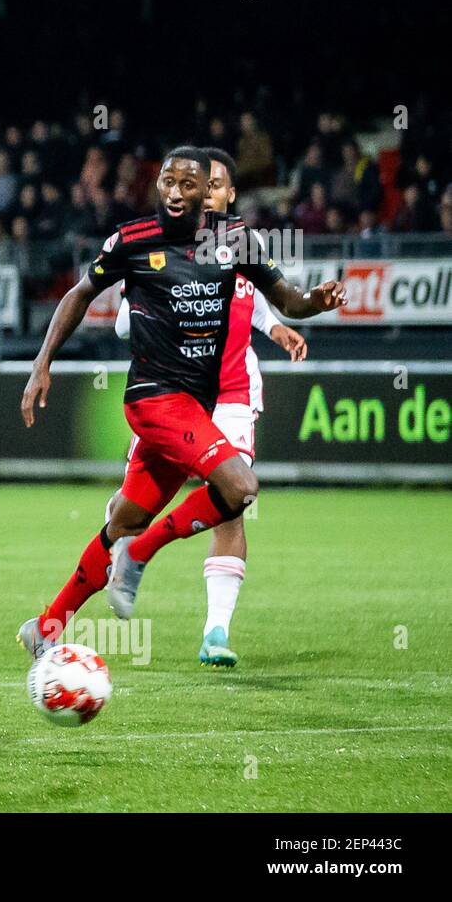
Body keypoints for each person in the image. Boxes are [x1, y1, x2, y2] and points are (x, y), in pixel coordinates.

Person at [17, 147, 346, 657]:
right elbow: (79, 294)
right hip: (153, 399)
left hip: (195, 404)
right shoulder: (131, 240)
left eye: (187, 184)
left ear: (205, 192)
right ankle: (142, 555)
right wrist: (42, 363)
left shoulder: (234, 240)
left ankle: (49, 624)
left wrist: (315, 304)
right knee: (240, 487)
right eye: (167, 181)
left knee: (123, 520)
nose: (174, 192)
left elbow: (286, 300)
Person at [105, 148, 307, 666]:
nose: (205, 192)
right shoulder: (165, 250)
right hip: (171, 395)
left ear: (227, 194)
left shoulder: (239, 245)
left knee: (232, 501)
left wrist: (278, 327)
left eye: (215, 185)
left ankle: (216, 630)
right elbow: (127, 316)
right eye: (198, 184)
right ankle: (123, 543)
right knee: (129, 512)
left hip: (234, 394)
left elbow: (259, 298)